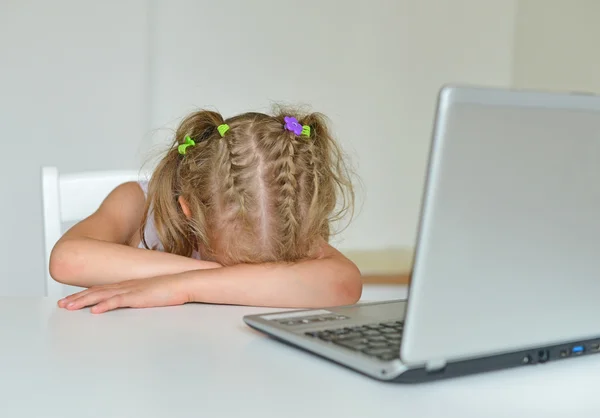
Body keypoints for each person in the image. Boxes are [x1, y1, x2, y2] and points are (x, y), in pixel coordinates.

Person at [50, 109, 362, 314]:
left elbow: (345, 283)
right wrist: (227, 278)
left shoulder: (285, 217)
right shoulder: (137, 203)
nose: (245, 274)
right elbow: (68, 260)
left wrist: (183, 286)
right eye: (238, 264)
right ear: (188, 210)